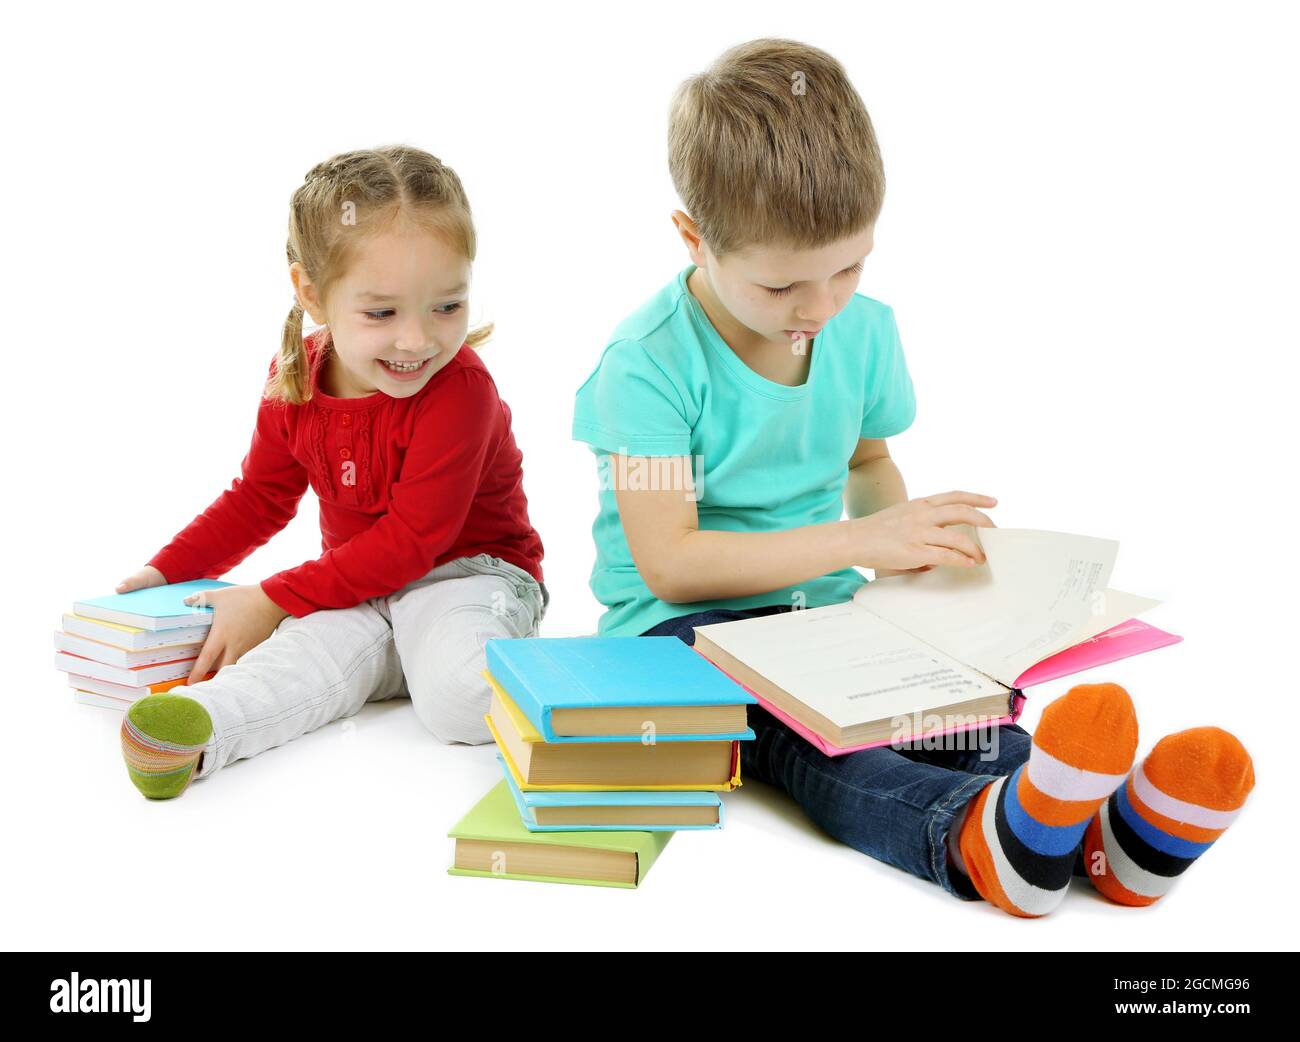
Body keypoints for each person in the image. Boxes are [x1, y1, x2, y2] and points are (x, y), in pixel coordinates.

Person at [570, 39, 1254, 915]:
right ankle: (966, 840)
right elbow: (669, 563)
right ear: (694, 239)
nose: (819, 309)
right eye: (783, 286)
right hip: (681, 632)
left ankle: (1095, 834)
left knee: (959, 712)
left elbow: (866, 460)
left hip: (824, 608)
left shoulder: (863, 330)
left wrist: (913, 557)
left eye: (848, 268)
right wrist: (863, 540)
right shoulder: (648, 363)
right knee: (818, 738)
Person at [117, 145, 548, 800]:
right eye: (382, 312)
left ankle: (577, 694)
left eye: (447, 306)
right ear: (311, 293)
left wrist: (271, 596)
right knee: (294, 662)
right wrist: (165, 569)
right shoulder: (295, 376)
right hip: (357, 581)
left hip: (466, 573)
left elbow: (413, 543)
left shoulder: (461, 390)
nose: (418, 341)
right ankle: (195, 735)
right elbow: (259, 497)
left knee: (459, 701)